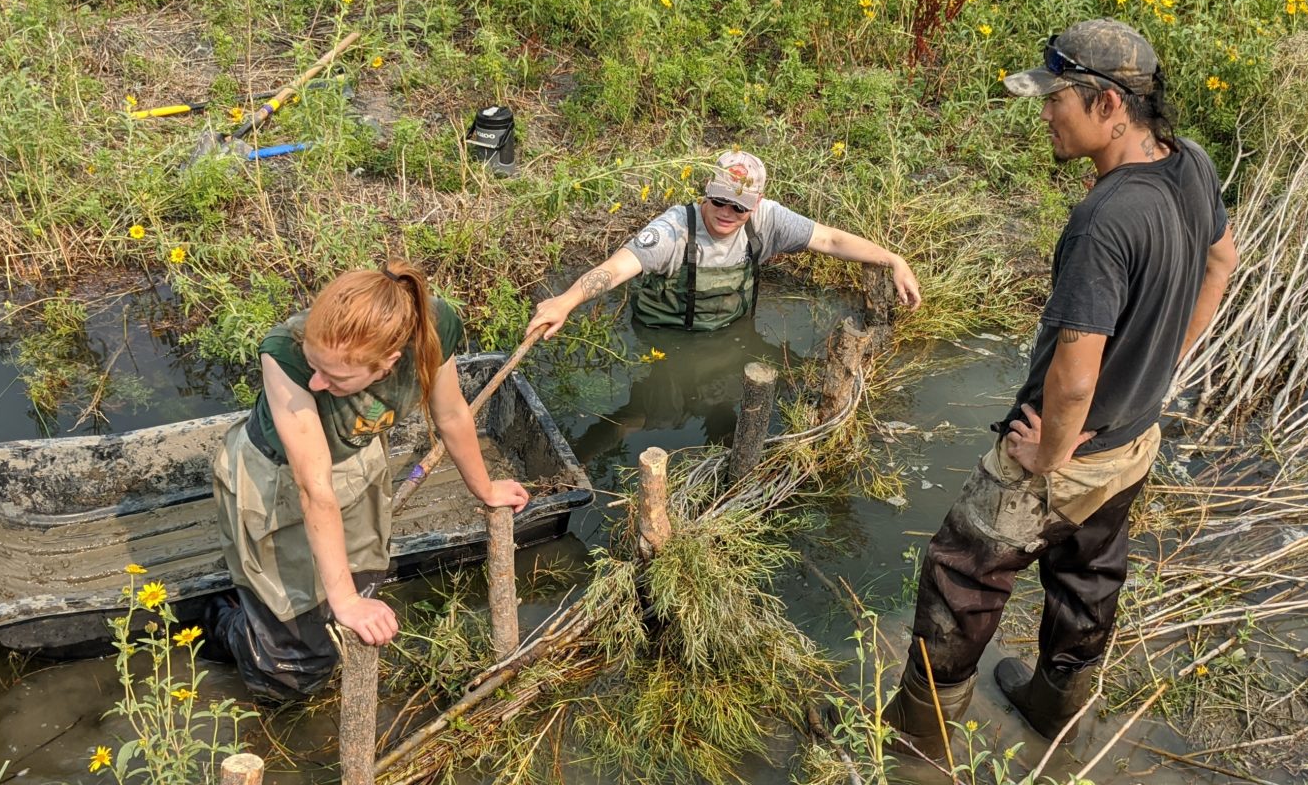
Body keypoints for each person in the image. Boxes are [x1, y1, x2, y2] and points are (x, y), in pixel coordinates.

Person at [883, 19, 1237, 743]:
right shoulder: (1193, 163)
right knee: (1089, 575)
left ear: (1109, 105)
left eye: (1057, 99)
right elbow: (1222, 260)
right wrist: (1159, 364)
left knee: (962, 573)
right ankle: (1055, 707)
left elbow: (1072, 382)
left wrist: (1048, 456)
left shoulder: (1104, 220)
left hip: (1068, 449)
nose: (1045, 113)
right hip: (1134, 439)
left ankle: (917, 741)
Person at [202, 262, 530, 704]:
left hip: (358, 459)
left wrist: (485, 488)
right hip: (276, 477)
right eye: (316, 368)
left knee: (358, 597)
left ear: (387, 364)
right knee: (291, 669)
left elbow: (451, 414)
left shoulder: (429, 326)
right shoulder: (284, 354)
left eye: (335, 378)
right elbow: (314, 487)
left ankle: (270, 612)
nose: (318, 382)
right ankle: (220, 621)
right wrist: (345, 602)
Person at [524, 149, 922, 341]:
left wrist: (893, 259)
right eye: (720, 201)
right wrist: (565, 301)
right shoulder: (673, 231)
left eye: (741, 206)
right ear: (706, 193)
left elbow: (831, 239)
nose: (728, 213)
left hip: (732, 333)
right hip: (665, 338)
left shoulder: (768, 220)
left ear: (757, 204)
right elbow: (615, 268)